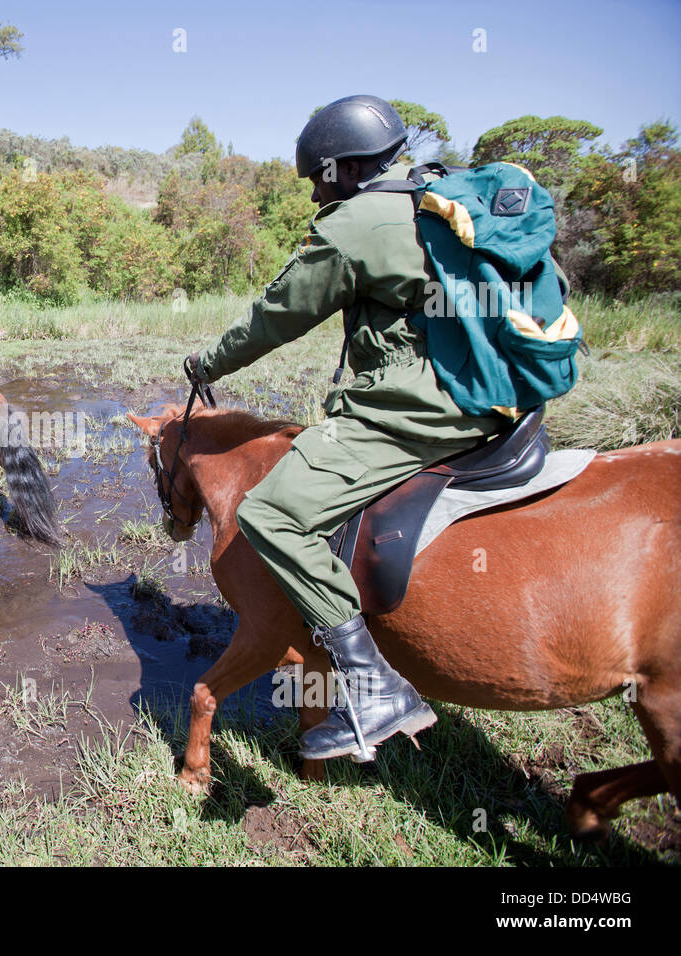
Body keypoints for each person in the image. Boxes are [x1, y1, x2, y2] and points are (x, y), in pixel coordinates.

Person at [185, 95, 511, 762]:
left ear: (340, 167)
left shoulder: (357, 222)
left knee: (270, 514)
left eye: (315, 178)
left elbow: (278, 315)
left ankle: (371, 687)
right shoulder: (442, 197)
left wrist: (206, 362)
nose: (312, 191)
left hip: (422, 405)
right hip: (497, 393)